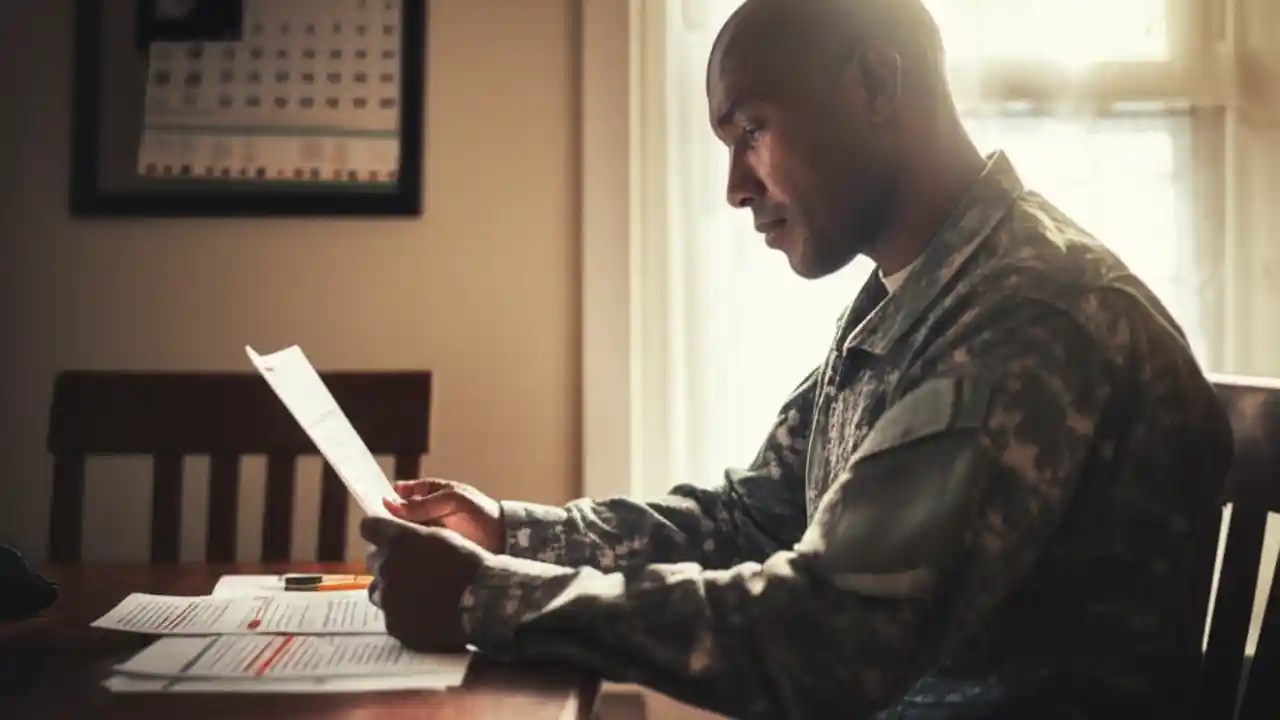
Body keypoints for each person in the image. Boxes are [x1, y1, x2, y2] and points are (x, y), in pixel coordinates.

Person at [359, 0, 1234, 717]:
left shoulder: (1029, 317)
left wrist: (490, 597)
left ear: (876, 83)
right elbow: (754, 519)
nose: (735, 188)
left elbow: (828, 638)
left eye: (751, 129)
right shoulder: (921, 296)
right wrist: (509, 533)